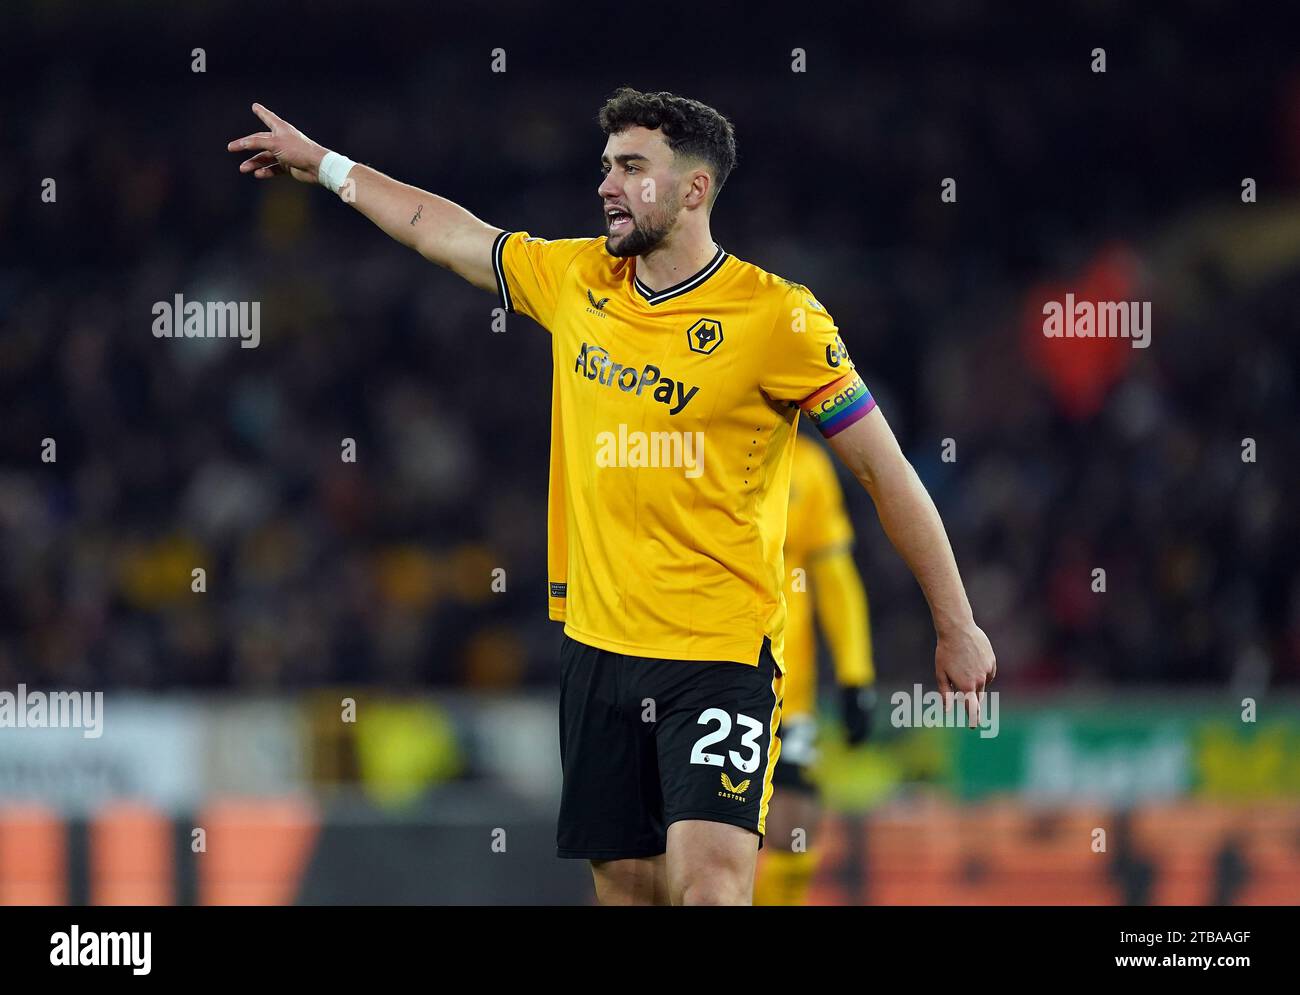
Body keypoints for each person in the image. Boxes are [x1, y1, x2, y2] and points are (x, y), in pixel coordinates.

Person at [227, 86, 995, 906]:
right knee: (632, 893)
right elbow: (448, 232)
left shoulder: (781, 319)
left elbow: (885, 471)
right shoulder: (576, 279)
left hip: (719, 652)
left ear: (695, 189)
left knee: (710, 886)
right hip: (596, 653)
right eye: (606, 167)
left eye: (633, 168)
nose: (607, 185)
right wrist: (334, 168)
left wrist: (956, 623)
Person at [754, 434, 877, 906]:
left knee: (794, 833)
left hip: (789, 694)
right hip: (708, 678)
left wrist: (856, 675)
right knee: (688, 832)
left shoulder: (809, 466)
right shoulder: (702, 446)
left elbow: (834, 574)